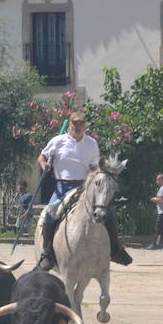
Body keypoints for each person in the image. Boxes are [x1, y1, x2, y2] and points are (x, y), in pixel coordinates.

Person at [37, 112, 131, 270]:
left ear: (85, 126)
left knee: (108, 212)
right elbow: (42, 156)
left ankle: (115, 250)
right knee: (50, 214)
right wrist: (44, 165)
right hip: (62, 186)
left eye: (81, 126)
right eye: (75, 126)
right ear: (70, 126)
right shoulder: (57, 141)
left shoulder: (91, 143)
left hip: (84, 186)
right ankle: (47, 254)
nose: (78, 130)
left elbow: (95, 166)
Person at [144, 172, 163, 250]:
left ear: (161, 179)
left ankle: (155, 244)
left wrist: (154, 199)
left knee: (159, 229)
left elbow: (161, 199)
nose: (156, 181)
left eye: (158, 179)